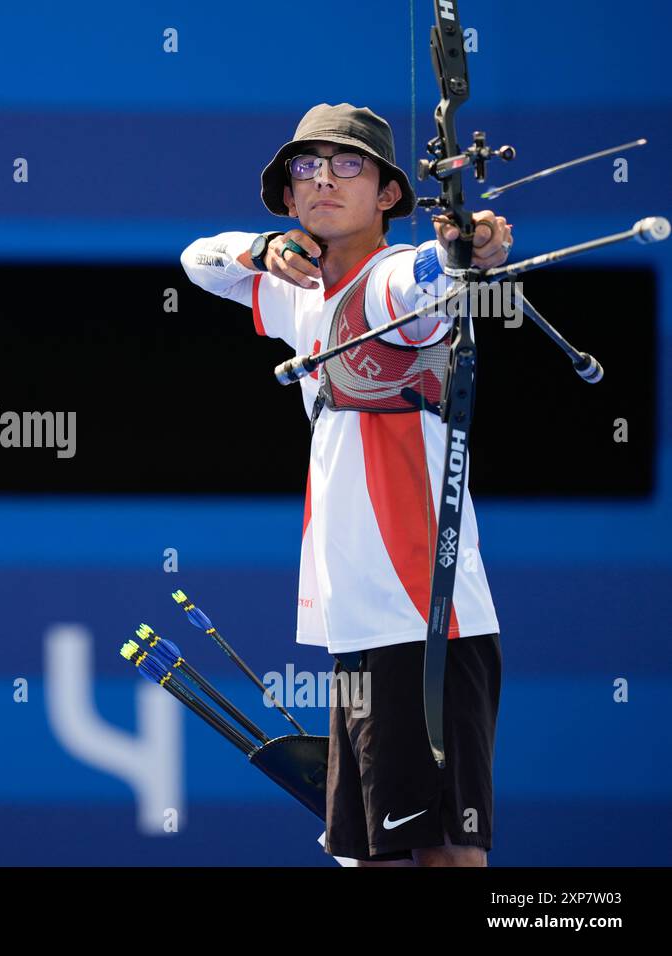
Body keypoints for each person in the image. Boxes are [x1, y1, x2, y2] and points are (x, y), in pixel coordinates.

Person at [179, 103, 513, 867]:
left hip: (423, 621)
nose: (324, 177)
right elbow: (199, 261)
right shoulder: (299, 295)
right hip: (354, 626)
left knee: (445, 855)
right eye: (307, 167)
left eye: (349, 165)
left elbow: (425, 276)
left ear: (391, 194)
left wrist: (464, 249)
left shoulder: (395, 279)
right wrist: (264, 250)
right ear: (290, 198)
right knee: (367, 857)